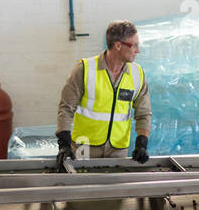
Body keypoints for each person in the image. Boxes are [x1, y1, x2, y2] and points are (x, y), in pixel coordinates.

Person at [56, 21, 151, 165]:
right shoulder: (85, 69)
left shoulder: (137, 74)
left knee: (114, 187)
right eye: (134, 45)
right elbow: (66, 107)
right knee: (84, 185)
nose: (138, 50)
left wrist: (141, 143)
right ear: (118, 45)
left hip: (117, 149)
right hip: (84, 147)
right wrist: (64, 143)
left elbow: (143, 113)